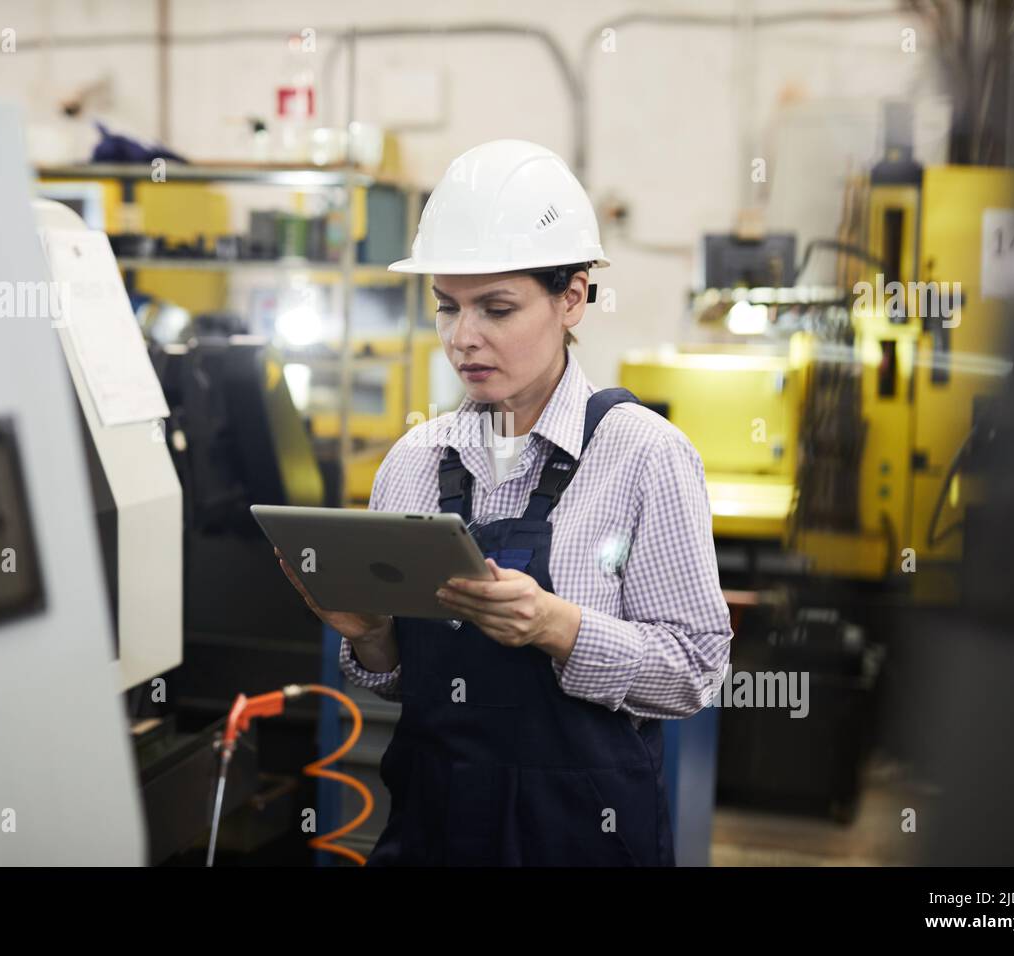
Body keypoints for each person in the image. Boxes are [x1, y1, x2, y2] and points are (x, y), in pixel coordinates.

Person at [277, 139, 732, 866]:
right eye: (447, 307)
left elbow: (695, 672)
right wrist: (367, 637)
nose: (464, 338)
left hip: (583, 838)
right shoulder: (413, 464)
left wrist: (561, 628)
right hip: (434, 830)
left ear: (572, 296)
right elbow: (398, 678)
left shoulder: (645, 457)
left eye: (497, 308)